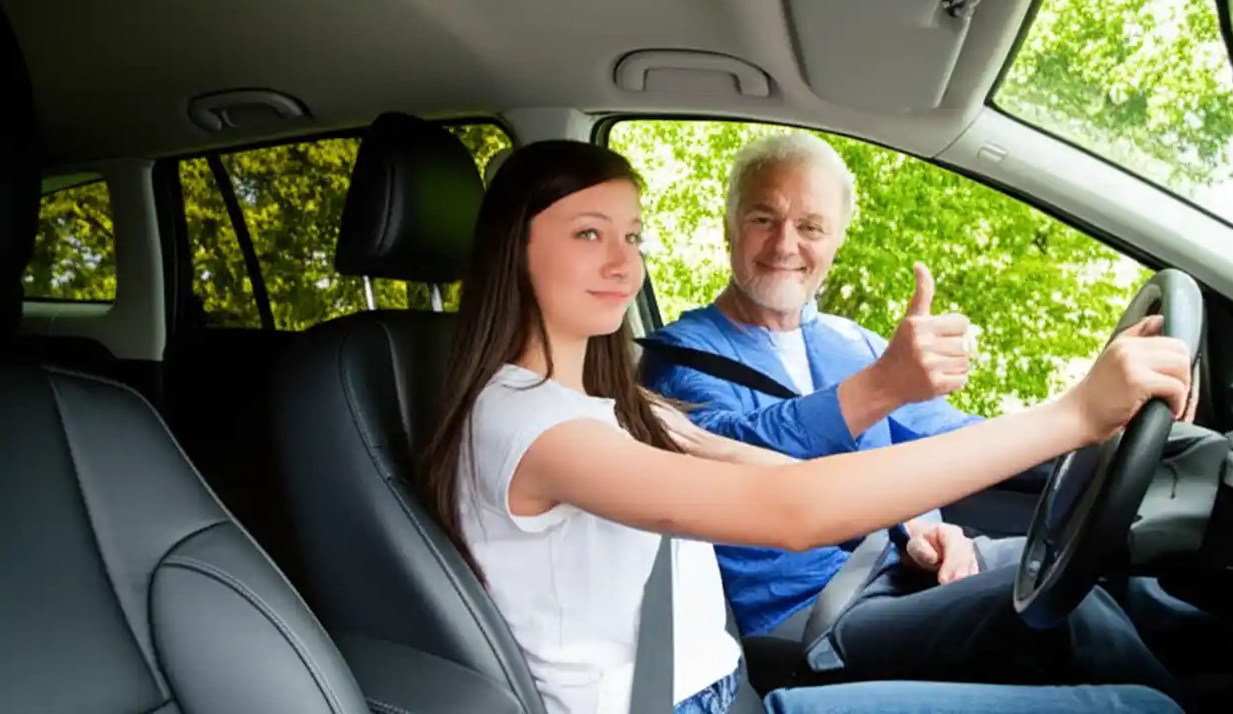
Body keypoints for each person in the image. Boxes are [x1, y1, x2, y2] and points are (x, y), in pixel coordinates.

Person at [415, 139, 1189, 714]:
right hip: (696, 698)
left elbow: (784, 473)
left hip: (730, 690)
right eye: (589, 234)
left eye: (633, 236)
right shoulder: (532, 424)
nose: (625, 264)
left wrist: (935, 514)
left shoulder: (615, 405)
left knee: (1105, 599)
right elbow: (792, 512)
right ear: (515, 249)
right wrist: (1073, 412)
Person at [639, 132, 1190, 692]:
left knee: (1121, 579)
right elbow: (736, 460)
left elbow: (956, 438)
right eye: (763, 219)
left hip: (902, 566)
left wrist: (1117, 426)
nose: (785, 244)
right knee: (1075, 613)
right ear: (728, 227)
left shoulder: (852, 341)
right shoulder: (675, 360)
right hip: (810, 617)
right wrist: (881, 387)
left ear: (837, 240)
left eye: (810, 227)